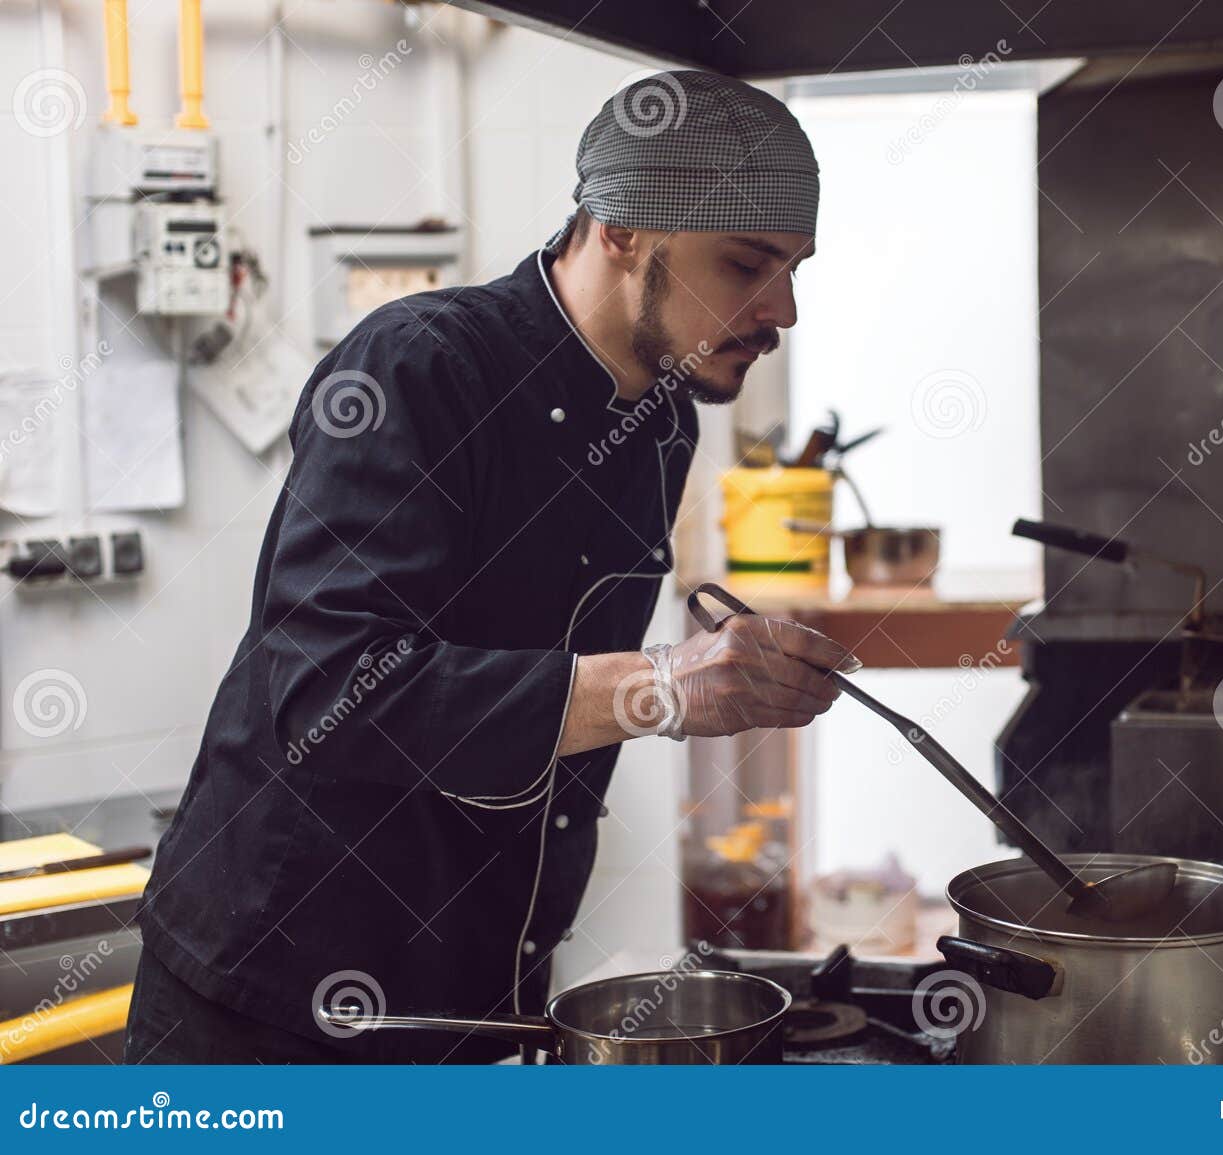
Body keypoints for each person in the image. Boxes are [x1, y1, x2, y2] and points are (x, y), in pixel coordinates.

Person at [126, 70, 850, 1063]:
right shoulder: (420, 363)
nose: (784, 310)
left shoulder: (662, 419)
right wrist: (655, 689)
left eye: (796, 268)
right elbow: (328, 690)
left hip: (481, 988)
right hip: (274, 995)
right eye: (744, 264)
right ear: (622, 229)